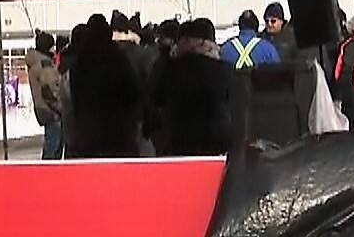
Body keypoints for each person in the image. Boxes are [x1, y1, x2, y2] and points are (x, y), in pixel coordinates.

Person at [152, 19, 237, 156]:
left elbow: (156, 99)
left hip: (177, 140)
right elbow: (234, 104)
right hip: (216, 140)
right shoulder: (224, 69)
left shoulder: (168, 69)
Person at [65, 24, 145, 158]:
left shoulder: (79, 65)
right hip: (120, 132)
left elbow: (72, 101)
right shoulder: (120, 61)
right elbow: (133, 93)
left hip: (89, 134)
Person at [24, 31, 64, 160]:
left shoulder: (35, 64)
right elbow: (51, 91)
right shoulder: (45, 66)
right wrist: (62, 107)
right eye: (52, 46)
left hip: (44, 110)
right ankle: (49, 174)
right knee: (53, 146)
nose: (54, 49)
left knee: (51, 143)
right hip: (52, 112)